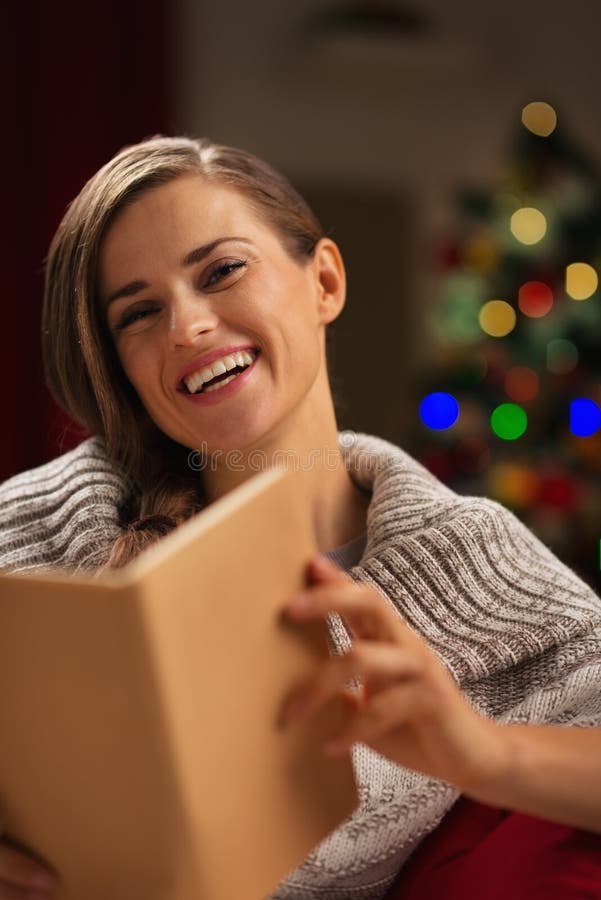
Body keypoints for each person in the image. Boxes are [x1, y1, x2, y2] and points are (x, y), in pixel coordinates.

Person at [0, 135, 600, 900]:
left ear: (323, 281)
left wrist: (478, 753)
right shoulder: (29, 542)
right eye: (140, 312)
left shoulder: (471, 556)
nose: (186, 327)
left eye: (221, 272)